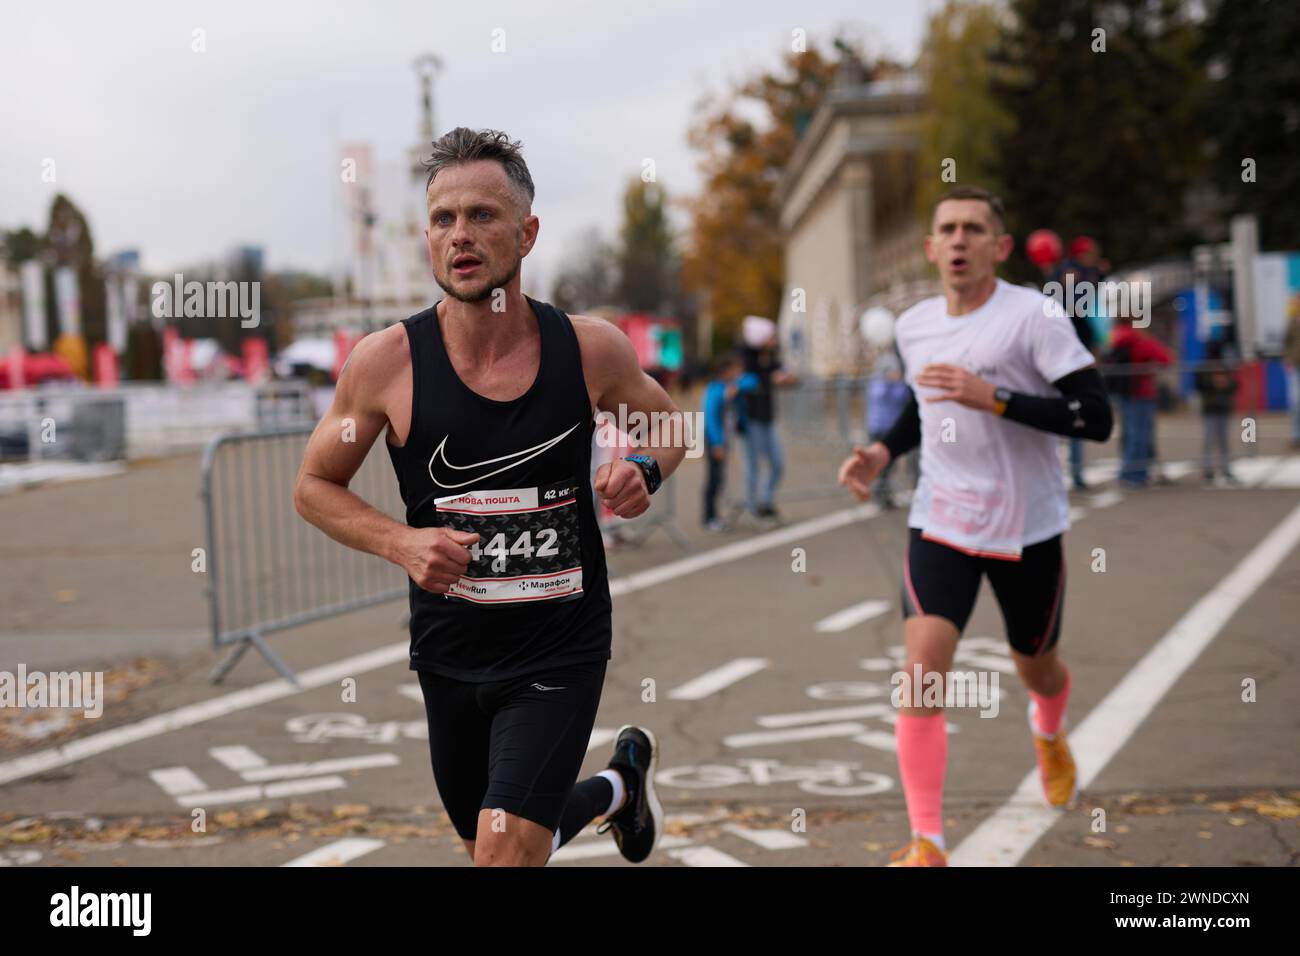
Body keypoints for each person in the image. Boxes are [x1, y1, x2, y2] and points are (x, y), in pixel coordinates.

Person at [294, 128, 687, 867]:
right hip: (451, 653)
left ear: (527, 233)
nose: (460, 235)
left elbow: (668, 423)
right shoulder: (385, 365)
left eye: (482, 216)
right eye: (443, 218)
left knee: (503, 852)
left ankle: (608, 792)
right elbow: (314, 486)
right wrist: (401, 542)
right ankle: (618, 791)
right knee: (492, 838)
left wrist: (646, 466)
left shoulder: (589, 350)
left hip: (560, 645)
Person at [837, 186, 1113, 866]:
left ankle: (1048, 730)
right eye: (948, 230)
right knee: (921, 676)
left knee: (1038, 667)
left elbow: (1096, 417)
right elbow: (921, 405)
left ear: (1000, 246)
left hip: (1028, 527)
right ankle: (927, 840)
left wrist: (996, 398)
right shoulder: (915, 325)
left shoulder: (1035, 317)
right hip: (942, 521)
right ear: (931, 249)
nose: (959, 241)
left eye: (974, 229)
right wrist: (880, 451)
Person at [739, 319, 797, 523]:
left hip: (768, 418)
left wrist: (789, 378)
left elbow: (786, 375)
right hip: (750, 419)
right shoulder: (747, 357)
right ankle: (755, 508)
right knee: (753, 465)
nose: (774, 341)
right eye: (771, 337)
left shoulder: (771, 357)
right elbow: (748, 379)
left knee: (777, 463)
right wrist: (770, 378)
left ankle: (766, 501)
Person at [1107, 324, 1173, 488]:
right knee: (1141, 435)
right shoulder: (1141, 341)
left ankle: (1133, 473)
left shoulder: (1116, 339)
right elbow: (1166, 358)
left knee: (1130, 435)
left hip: (1124, 392)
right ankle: (1134, 474)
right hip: (1141, 392)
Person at [865, 351, 914, 509]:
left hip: (892, 429)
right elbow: (883, 396)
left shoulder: (898, 386)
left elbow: (905, 398)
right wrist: (891, 381)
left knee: (887, 466)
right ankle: (881, 493)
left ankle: (883, 493)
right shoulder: (879, 384)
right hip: (880, 428)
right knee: (882, 466)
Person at [701, 354, 741, 531]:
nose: (738, 373)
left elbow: (749, 381)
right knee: (713, 479)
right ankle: (709, 517)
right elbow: (711, 418)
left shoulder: (727, 389)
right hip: (714, 440)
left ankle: (716, 515)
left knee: (719, 479)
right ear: (726, 371)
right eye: (734, 369)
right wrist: (717, 443)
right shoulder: (715, 390)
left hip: (721, 440)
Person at [1195, 339, 1240, 486]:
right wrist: (1213, 383)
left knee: (1223, 440)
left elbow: (1236, 385)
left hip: (1223, 407)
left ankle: (1225, 468)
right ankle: (1208, 470)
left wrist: (1226, 383)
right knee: (1209, 440)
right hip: (1210, 408)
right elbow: (1199, 386)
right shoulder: (1204, 367)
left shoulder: (1226, 367)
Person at [1284, 295, 1300, 449]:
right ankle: (1296, 436)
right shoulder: (1292, 321)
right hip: (1295, 365)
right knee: (1295, 402)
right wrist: (1287, 359)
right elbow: (1286, 341)